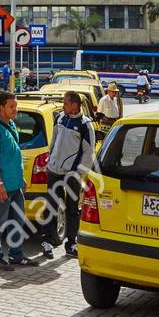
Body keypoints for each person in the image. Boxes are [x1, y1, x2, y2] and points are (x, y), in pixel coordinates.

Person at [0, 91, 38, 270]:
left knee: (18, 220)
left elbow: (12, 155)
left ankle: (16, 255)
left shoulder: (11, 124)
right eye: (11, 106)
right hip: (2, 186)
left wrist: (21, 178)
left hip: (15, 185)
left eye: (16, 106)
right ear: (1, 107)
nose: (15, 109)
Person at [41, 91, 95, 258]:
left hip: (72, 175)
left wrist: (80, 174)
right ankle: (48, 241)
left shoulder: (86, 125)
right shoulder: (60, 118)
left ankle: (71, 243)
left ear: (74, 105)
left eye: (65, 103)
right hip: (54, 171)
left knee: (72, 209)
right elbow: (54, 141)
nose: (63, 106)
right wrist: (50, 160)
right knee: (51, 205)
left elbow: (89, 152)